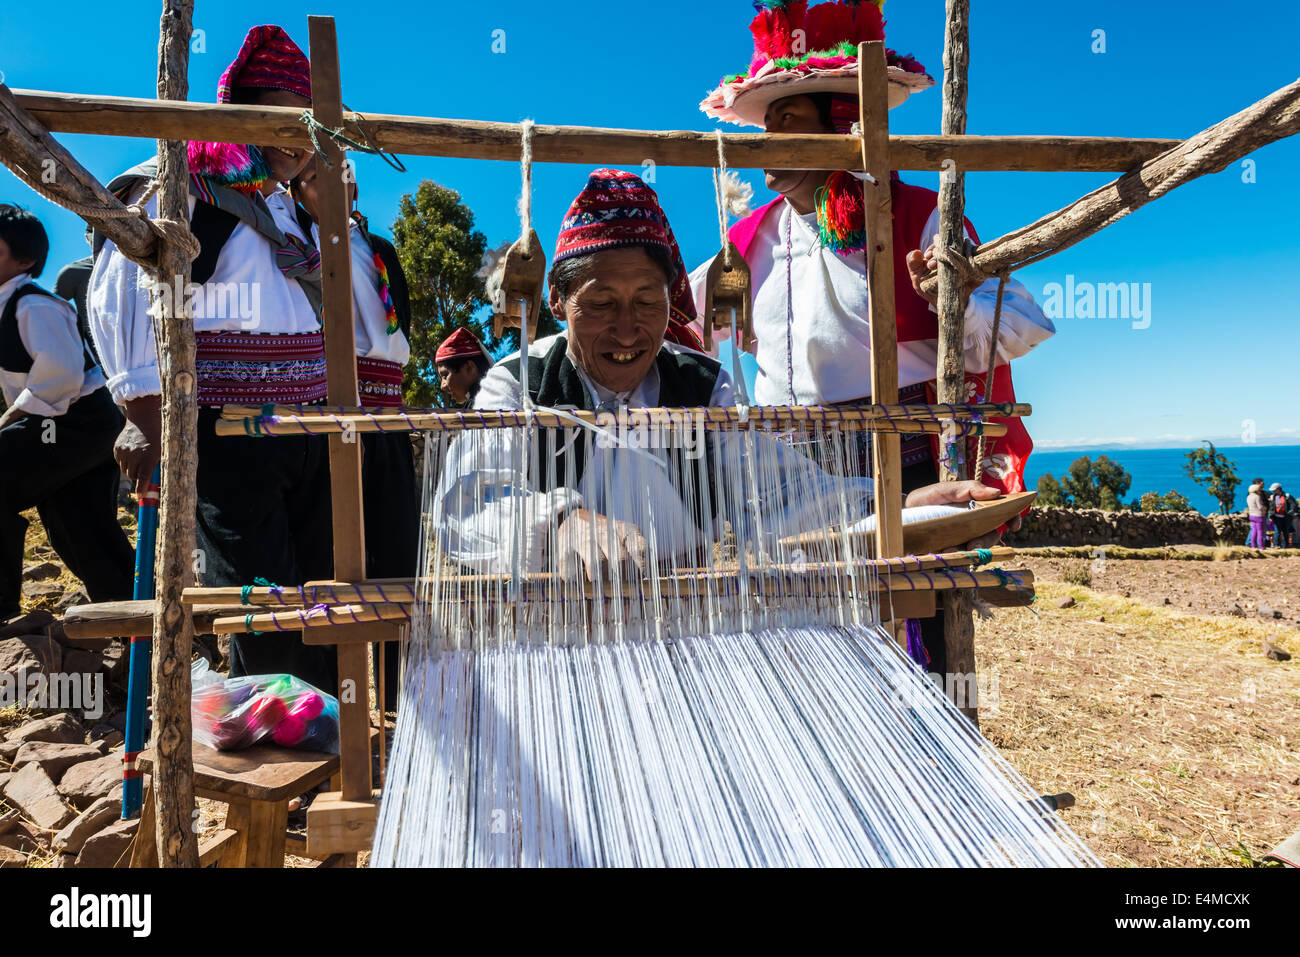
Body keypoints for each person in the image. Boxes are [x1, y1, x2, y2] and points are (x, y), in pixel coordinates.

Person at [438, 168, 1004, 579]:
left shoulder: (702, 388)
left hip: (680, 625)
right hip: (547, 638)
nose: (629, 329)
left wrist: (900, 507)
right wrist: (561, 522)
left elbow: (780, 494)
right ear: (559, 302)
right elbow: (468, 504)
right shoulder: (520, 384)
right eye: (602, 303)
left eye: (647, 302)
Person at [89, 24, 339, 694]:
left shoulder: (286, 208)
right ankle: (276, 747)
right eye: (279, 116)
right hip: (230, 431)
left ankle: (322, 731)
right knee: (261, 598)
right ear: (238, 111)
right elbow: (122, 281)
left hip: (307, 429)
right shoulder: (185, 188)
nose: (297, 137)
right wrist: (142, 406)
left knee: (318, 590)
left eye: (309, 122)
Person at [290, 158, 416, 707]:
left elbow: (398, 330)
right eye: (316, 178)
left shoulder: (380, 250)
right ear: (296, 190)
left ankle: (399, 703)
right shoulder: (292, 245)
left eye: (342, 174)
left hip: (384, 418)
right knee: (324, 561)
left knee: (397, 554)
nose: (334, 186)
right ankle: (319, 711)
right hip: (325, 425)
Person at [0, 205, 133, 621]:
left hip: (75, 422)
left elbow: (60, 373)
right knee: (80, 529)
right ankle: (139, 626)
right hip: (68, 425)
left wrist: (12, 418)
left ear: (24, 260)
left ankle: (2, 612)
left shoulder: (34, 305)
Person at [435, 328, 493, 406]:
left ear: (469, 368)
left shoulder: (480, 405)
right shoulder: (498, 396)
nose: (442, 386)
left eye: (445, 376)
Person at [1268, 482, 1292, 549]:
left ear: (1279, 489)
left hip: (1285, 517)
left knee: (1285, 531)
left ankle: (1286, 545)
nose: (1273, 491)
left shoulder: (1287, 496)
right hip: (1277, 517)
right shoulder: (1273, 497)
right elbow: (1272, 507)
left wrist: (1289, 513)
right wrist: (1271, 516)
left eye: (1274, 490)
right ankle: (1276, 545)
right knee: (1277, 531)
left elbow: (1293, 505)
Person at [1246, 479, 1268, 549]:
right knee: (1260, 532)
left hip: (1251, 515)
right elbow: (1260, 507)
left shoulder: (1249, 496)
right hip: (1259, 516)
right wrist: (1265, 508)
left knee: (1254, 531)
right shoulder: (1257, 497)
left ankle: (1253, 545)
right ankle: (1261, 546)